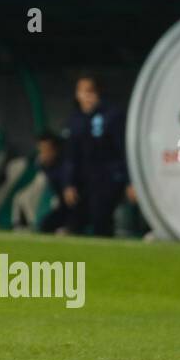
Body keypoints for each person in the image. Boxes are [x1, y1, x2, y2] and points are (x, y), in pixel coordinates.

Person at [60, 75, 132, 238]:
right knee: (74, 222)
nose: (86, 96)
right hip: (83, 181)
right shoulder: (75, 119)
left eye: (90, 91)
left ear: (98, 93)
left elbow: (123, 150)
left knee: (101, 220)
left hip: (108, 179)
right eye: (81, 91)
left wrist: (130, 181)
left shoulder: (112, 115)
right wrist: (68, 183)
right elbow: (70, 155)